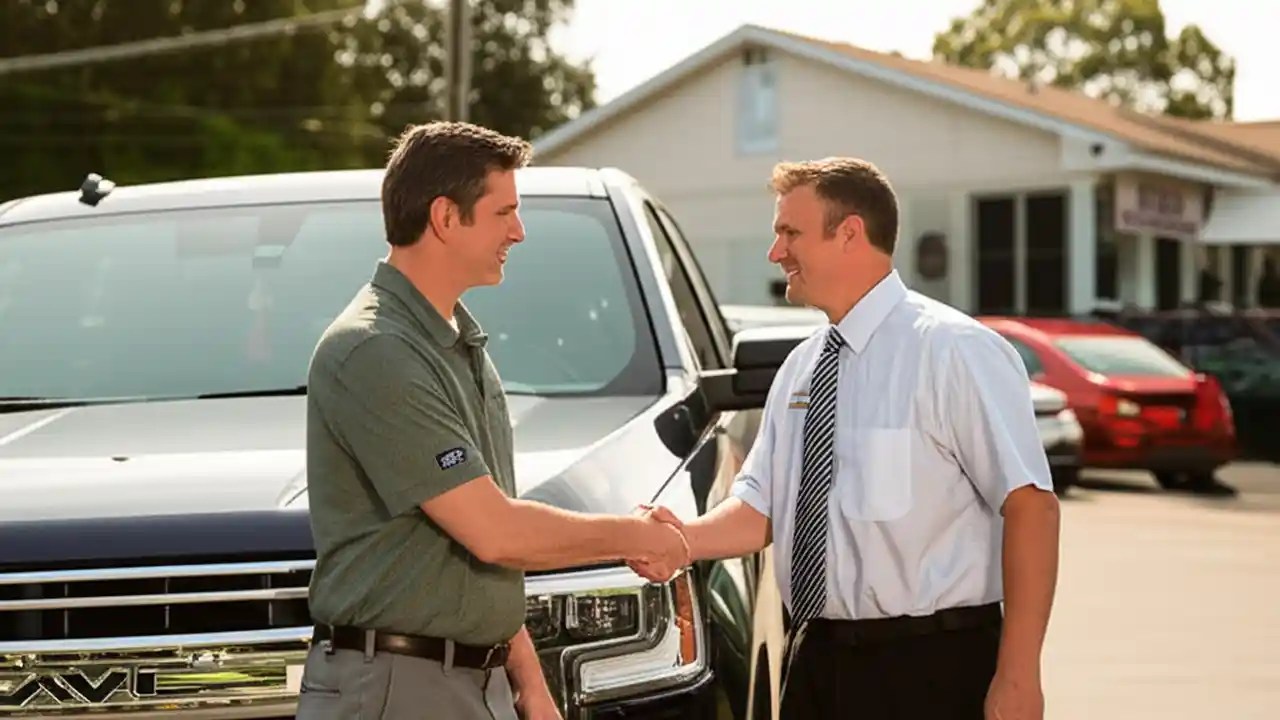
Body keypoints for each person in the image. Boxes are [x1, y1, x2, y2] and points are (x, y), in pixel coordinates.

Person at [633, 157, 1061, 720]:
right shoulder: (800, 368)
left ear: (850, 234)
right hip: (814, 662)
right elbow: (761, 510)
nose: (776, 252)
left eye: (790, 233)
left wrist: (1018, 672)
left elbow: (1031, 506)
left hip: (931, 669)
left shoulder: (955, 351)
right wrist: (680, 538)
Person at [298, 121, 689, 720]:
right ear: (445, 218)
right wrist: (633, 536)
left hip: (472, 682)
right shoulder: (376, 350)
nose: (519, 231)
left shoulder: (454, 343)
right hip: (397, 692)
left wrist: (528, 684)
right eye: (503, 212)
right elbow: (496, 532)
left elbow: (482, 556)